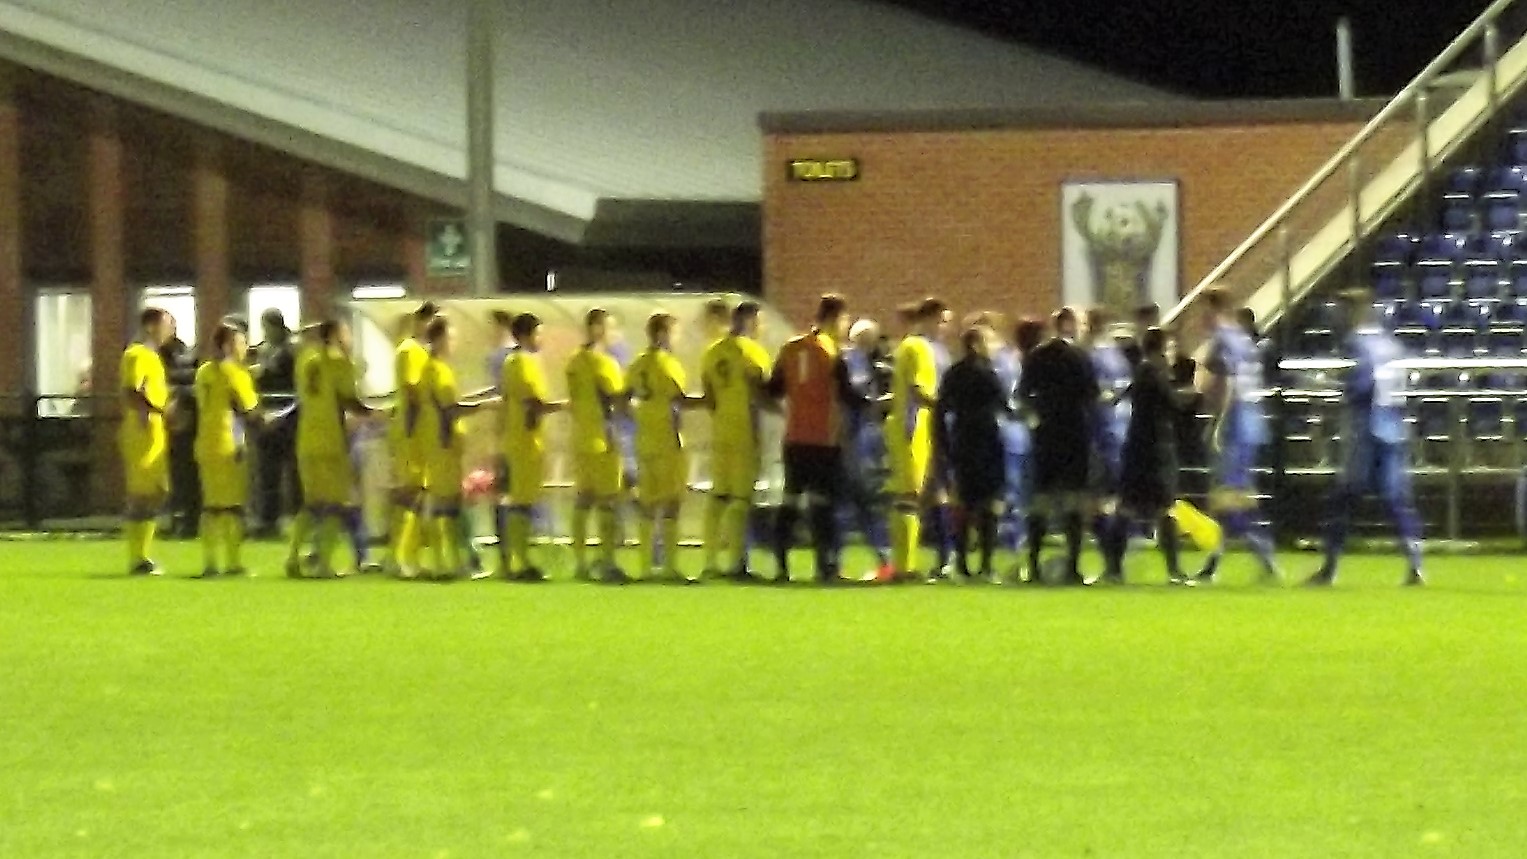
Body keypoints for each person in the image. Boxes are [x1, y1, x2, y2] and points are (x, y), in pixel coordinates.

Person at [1306, 292, 1424, 587]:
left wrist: (1331, 388)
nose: (1337, 318)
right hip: (1394, 426)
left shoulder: (1356, 343)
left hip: (1366, 428)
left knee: (1343, 498)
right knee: (1397, 500)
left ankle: (1329, 568)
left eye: (1342, 311)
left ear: (1354, 312)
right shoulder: (1391, 344)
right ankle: (1416, 565)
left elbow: (1362, 385)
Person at [1195, 286, 1281, 585]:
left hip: (1236, 426)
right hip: (1248, 423)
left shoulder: (1223, 340)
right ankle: (1214, 564)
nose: (1200, 317)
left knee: (1230, 500)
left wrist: (1217, 422)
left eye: (1204, 309)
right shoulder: (1242, 338)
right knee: (1229, 498)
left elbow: (1229, 383)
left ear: (1213, 308)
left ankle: (1266, 559)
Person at [769, 294, 854, 584]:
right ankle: (825, 567)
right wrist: (880, 403)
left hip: (794, 437)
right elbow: (848, 395)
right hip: (824, 438)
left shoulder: (791, 348)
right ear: (835, 318)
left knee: (790, 501)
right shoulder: (832, 352)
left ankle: (781, 566)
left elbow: (773, 390)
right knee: (823, 504)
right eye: (845, 321)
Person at [289, 320, 375, 579]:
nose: (350, 338)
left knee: (312, 503)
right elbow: (349, 399)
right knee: (335, 505)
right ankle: (324, 564)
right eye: (347, 332)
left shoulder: (306, 358)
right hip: (330, 441)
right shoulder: (338, 361)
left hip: (306, 439)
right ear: (337, 335)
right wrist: (375, 412)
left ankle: (292, 558)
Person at [1018, 308, 1097, 586]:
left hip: (1045, 433)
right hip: (1075, 432)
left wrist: (1037, 413)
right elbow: (1092, 394)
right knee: (1074, 500)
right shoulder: (1080, 356)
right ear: (1071, 325)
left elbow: (1022, 394)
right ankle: (1072, 567)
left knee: (1041, 500)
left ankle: (1034, 566)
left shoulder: (1037, 355)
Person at [415, 316, 498, 581]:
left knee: (449, 505)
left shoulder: (433, 369)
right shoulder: (437, 370)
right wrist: (486, 405)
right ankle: (442, 563)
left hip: (441, 443)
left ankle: (453, 561)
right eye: (450, 337)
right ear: (439, 339)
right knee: (445, 504)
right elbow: (451, 409)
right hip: (443, 444)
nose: (454, 343)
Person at [627, 312, 704, 582]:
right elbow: (679, 399)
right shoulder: (668, 364)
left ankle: (646, 568)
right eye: (674, 333)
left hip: (644, 439)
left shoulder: (637, 364)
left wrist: (640, 415)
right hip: (667, 440)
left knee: (648, 504)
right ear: (662, 334)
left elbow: (625, 398)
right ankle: (670, 567)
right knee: (671, 503)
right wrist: (711, 400)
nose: (677, 339)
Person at [1113, 327, 1192, 585]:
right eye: (1169, 347)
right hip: (1155, 450)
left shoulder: (1142, 371)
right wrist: (1192, 396)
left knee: (1127, 507)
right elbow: (1172, 405)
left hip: (1138, 447)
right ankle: (1174, 569)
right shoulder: (1154, 372)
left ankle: (1114, 569)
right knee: (1164, 509)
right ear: (1161, 347)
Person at [700, 300, 772, 581]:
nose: (762, 327)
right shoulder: (753, 352)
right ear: (750, 320)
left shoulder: (712, 353)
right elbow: (760, 395)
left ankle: (709, 561)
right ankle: (736, 563)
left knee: (719, 495)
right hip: (744, 430)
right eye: (760, 321)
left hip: (720, 430)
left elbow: (709, 396)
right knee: (741, 497)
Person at [936, 326, 1009, 581]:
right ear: (977, 344)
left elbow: (940, 409)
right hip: (987, 440)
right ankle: (986, 565)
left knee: (963, 504)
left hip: (961, 440)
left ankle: (962, 563)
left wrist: (943, 443)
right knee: (989, 503)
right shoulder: (988, 374)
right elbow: (1004, 405)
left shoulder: (953, 373)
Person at [500, 313, 566, 582]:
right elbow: (535, 402)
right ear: (525, 335)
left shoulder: (514, 362)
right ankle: (521, 561)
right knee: (522, 500)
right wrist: (568, 405)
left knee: (523, 499)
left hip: (522, 437)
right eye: (538, 333)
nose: (541, 338)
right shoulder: (523, 362)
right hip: (524, 440)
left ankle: (520, 558)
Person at [885, 298, 947, 583]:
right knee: (909, 498)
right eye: (942, 321)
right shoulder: (920, 347)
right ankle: (904, 568)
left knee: (909, 498)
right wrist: (946, 405)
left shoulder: (907, 346)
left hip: (907, 426)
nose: (944, 327)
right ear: (931, 318)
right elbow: (919, 390)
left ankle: (904, 564)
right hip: (913, 428)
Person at [566, 308, 630, 582]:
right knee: (607, 502)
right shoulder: (604, 363)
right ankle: (607, 561)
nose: (612, 333)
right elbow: (616, 400)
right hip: (603, 439)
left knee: (583, 501)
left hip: (580, 437)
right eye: (609, 327)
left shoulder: (574, 362)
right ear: (597, 329)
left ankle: (580, 563)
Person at [193, 323, 260, 578]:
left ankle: (210, 562)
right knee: (232, 506)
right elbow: (248, 409)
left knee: (211, 505)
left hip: (205, 442)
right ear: (228, 345)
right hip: (230, 444)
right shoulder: (235, 373)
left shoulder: (203, 372)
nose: (245, 348)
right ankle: (233, 562)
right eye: (241, 343)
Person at [119, 307, 175, 576]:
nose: (171, 331)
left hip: (155, 429)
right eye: (167, 325)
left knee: (158, 490)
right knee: (142, 493)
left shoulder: (153, 356)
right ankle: (137, 557)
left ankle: (143, 553)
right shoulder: (137, 353)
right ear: (152, 326)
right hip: (142, 430)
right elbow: (132, 390)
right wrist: (148, 411)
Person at [387, 301, 439, 577]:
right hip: (412, 431)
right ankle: (399, 558)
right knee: (412, 493)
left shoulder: (423, 352)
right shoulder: (410, 351)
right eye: (431, 320)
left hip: (421, 431)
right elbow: (411, 390)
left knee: (417, 493)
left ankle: (406, 556)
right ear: (420, 321)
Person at [839, 318, 892, 580]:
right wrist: (883, 403)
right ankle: (881, 560)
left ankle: (880, 561)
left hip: (858, 438)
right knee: (860, 501)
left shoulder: (858, 361)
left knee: (858, 503)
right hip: (852, 439)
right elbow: (854, 399)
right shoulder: (852, 362)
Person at [1086, 306, 1133, 585]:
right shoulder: (1118, 357)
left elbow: (1096, 397)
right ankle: (1116, 566)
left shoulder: (1092, 358)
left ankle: (1112, 567)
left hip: (1101, 435)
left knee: (1096, 505)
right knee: (1116, 503)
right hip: (1122, 434)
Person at [251, 308, 298, 537]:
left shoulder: (291, 350)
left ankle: (297, 517)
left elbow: (280, 375)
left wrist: (261, 372)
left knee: (293, 470)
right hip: (266, 416)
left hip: (289, 417)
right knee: (267, 471)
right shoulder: (263, 349)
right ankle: (268, 519)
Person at [159, 316, 201, 539]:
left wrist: (178, 393)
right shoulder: (155, 354)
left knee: (186, 473)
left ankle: (187, 520)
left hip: (187, 425)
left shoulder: (183, 353)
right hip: (170, 424)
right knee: (177, 473)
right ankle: (178, 518)